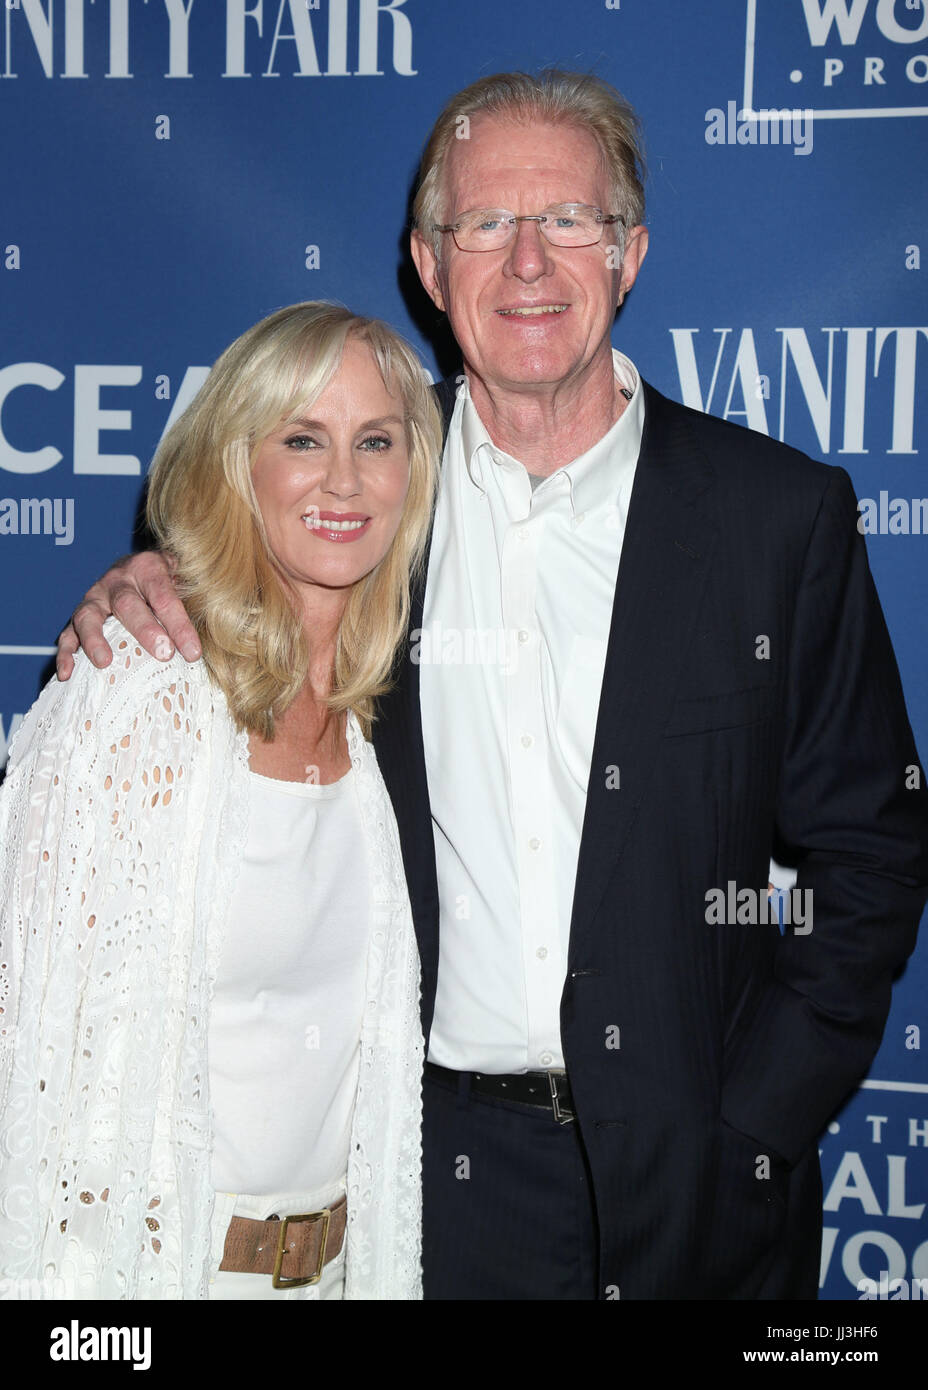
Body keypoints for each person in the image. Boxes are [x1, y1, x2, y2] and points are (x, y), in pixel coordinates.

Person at [56, 71, 928, 1301]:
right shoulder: (365, 502)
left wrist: (757, 1120)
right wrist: (150, 579)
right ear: (427, 262)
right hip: (428, 1183)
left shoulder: (776, 518)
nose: (527, 261)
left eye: (568, 219)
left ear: (627, 254)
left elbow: (872, 850)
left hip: (706, 1190)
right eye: (484, 224)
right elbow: (228, 571)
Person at [0, 301, 440, 1300]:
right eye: (302, 439)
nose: (344, 479)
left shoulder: (371, 718)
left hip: (339, 1274)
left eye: (376, 441)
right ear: (237, 465)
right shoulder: (136, 698)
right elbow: (24, 1054)